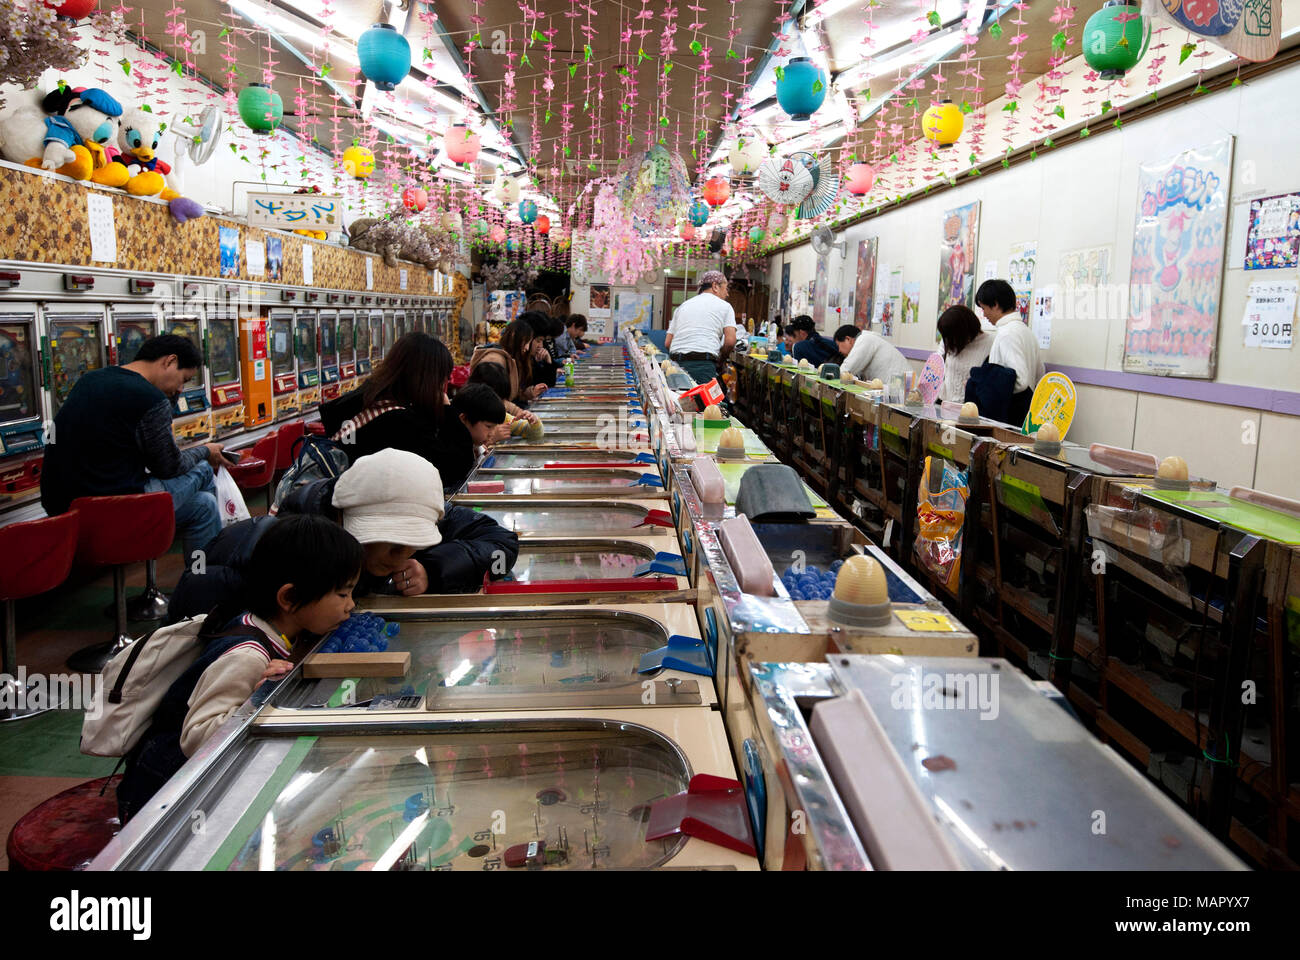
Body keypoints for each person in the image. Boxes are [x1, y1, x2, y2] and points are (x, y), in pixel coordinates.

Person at [118, 514, 363, 822]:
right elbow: (195, 738)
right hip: (166, 797)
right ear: (289, 597)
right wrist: (256, 702)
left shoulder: (280, 628)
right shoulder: (247, 657)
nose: (351, 604)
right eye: (342, 593)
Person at [166, 449, 519, 624]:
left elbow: (502, 544)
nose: (400, 555)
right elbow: (197, 634)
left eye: (409, 544)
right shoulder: (267, 555)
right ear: (345, 519)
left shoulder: (420, 504)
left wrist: (435, 568)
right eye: (389, 543)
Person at [40, 334, 233, 559]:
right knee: (203, 469)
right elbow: (169, 466)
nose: (180, 389)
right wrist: (207, 450)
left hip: (65, 509)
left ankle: (201, 574)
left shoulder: (90, 379)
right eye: (183, 379)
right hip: (117, 510)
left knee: (204, 505)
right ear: (169, 361)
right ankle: (206, 582)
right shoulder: (148, 397)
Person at [319, 332, 453, 473]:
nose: (442, 385)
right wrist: (447, 408)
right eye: (442, 378)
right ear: (426, 378)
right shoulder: (398, 422)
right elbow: (451, 466)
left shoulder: (367, 399)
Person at [974, 278, 1044, 424]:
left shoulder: (1007, 334)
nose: (984, 314)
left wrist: (989, 389)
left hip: (1009, 415)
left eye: (984, 308)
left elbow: (1021, 381)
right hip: (1025, 413)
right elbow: (1039, 374)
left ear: (996, 304)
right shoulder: (1026, 332)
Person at [665, 270, 736, 385]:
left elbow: (668, 343)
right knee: (704, 402)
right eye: (726, 288)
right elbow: (730, 341)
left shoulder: (682, 306)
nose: (727, 294)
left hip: (675, 364)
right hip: (702, 365)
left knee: (679, 400)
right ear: (715, 286)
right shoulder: (725, 306)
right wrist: (720, 360)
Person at [438, 384, 507, 492]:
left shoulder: (469, 444)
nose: (492, 433)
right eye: (488, 427)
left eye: (495, 427)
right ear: (464, 419)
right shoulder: (453, 453)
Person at [471, 318, 546, 409]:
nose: (527, 348)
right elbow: (491, 399)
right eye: (526, 342)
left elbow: (511, 394)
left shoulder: (511, 359)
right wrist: (517, 411)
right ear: (514, 337)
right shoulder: (495, 360)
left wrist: (530, 392)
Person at [936, 305, 993, 403]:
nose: (950, 342)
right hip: (944, 402)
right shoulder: (948, 338)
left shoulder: (990, 343)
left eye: (954, 338)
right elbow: (937, 364)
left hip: (969, 408)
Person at [839, 326, 912, 384]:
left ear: (848, 339)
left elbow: (847, 369)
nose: (839, 350)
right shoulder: (870, 339)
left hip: (902, 387)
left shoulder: (865, 339)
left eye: (838, 345)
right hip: (899, 386)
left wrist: (834, 375)